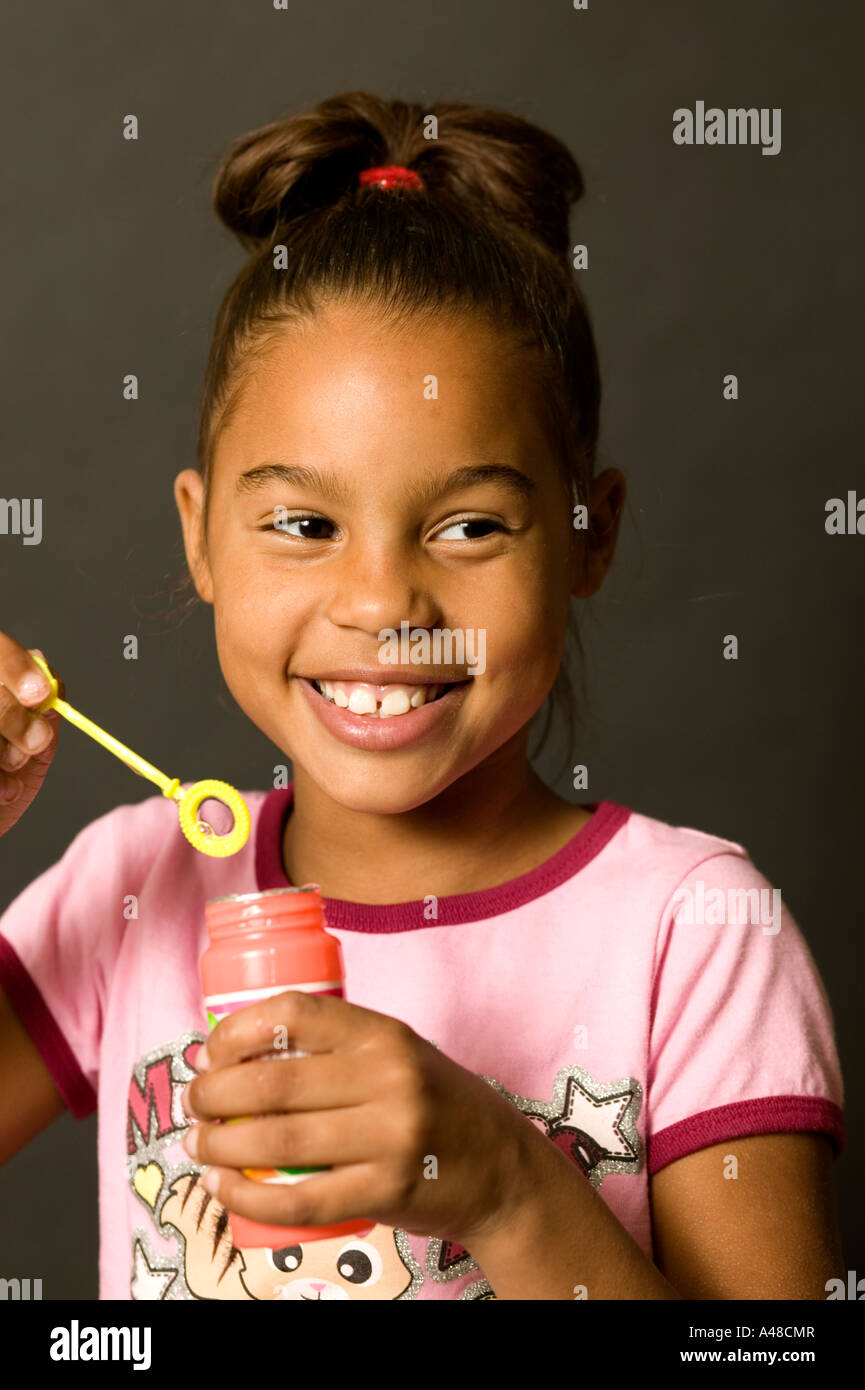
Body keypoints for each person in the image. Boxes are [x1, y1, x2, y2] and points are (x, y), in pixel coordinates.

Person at [0, 90, 845, 1301]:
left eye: (468, 525)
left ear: (587, 534)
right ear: (201, 538)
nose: (381, 599)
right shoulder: (131, 887)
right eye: (303, 523)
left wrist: (501, 1180)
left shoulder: (694, 935)